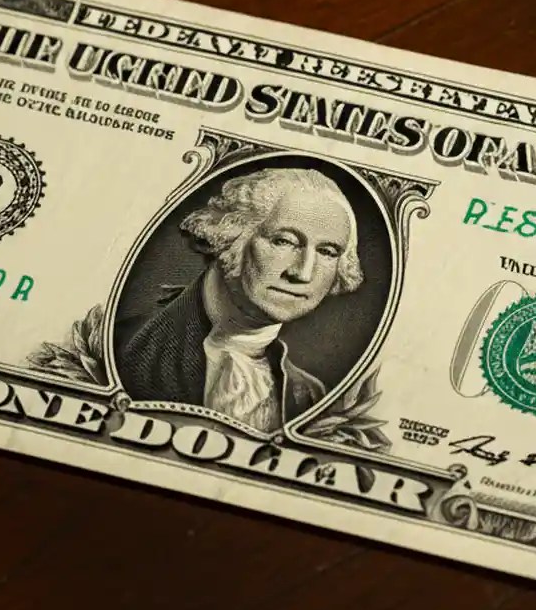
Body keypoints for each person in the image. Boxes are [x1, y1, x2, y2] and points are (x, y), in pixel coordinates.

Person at [116, 167, 364, 431]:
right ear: (231, 237)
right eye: (284, 241)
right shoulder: (123, 346)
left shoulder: (308, 395)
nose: (302, 273)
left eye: (327, 251)